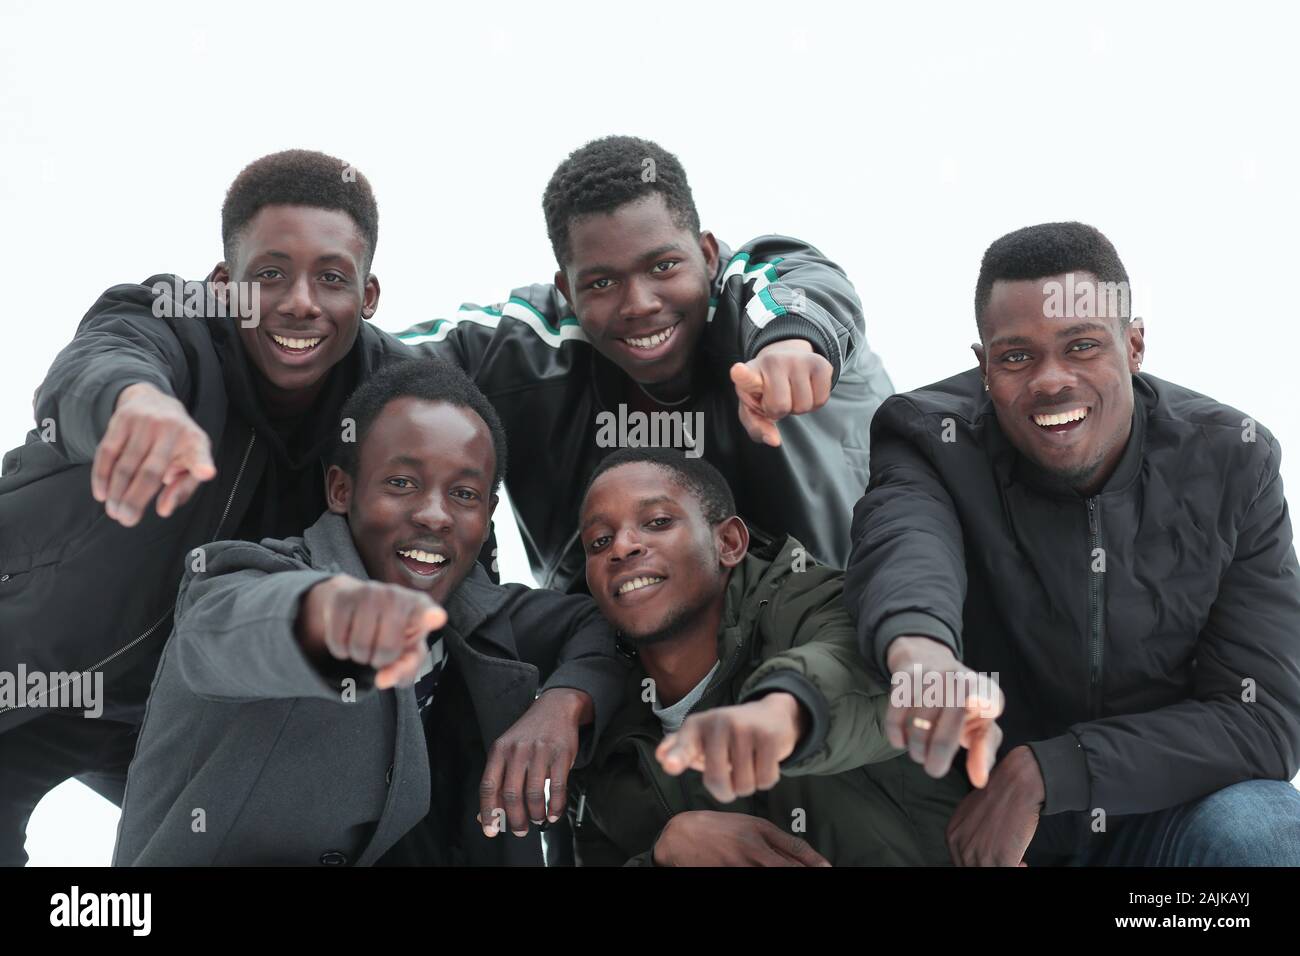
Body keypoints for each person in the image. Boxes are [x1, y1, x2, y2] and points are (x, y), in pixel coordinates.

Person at [0, 149, 449, 865]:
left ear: (367, 295)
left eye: (331, 278)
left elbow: (454, 540)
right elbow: (102, 358)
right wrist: (136, 404)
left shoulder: (397, 402)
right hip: (32, 659)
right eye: (268, 274)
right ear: (220, 286)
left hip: (175, 712)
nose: (300, 300)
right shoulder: (171, 324)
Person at [844, 221, 1300, 866]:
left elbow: (1265, 720)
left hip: (1161, 810)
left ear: (1134, 345)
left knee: (1267, 834)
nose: (1051, 380)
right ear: (983, 367)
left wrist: (1052, 770)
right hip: (969, 813)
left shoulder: (1234, 460)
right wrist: (922, 654)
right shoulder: (930, 438)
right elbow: (905, 541)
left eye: (1082, 346)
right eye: (1015, 356)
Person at [114, 358, 627, 865]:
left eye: (464, 494)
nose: (434, 514)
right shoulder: (247, 579)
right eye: (401, 483)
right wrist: (327, 619)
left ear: (488, 514)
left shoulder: (473, 605)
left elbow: (595, 625)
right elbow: (225, 632)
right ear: (342, 490)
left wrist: (563, 704)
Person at [399, 135, 894, 593]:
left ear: (707, 255)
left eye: (663, 267)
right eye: (602, 283)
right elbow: (372, 363)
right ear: (567, 291)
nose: (639, 303)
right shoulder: (523, 346)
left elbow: (797, 287)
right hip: (617, 660)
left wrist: (790, 344)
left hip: (838, 618)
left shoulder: (758, 297)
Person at [567, 448, 972, 866]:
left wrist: (786, 711)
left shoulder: (822, 602)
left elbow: (852, 668)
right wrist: (663, 855)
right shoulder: (599, 740)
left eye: (657, 522)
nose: (623, 547)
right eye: (599, 541)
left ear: (728, 542)